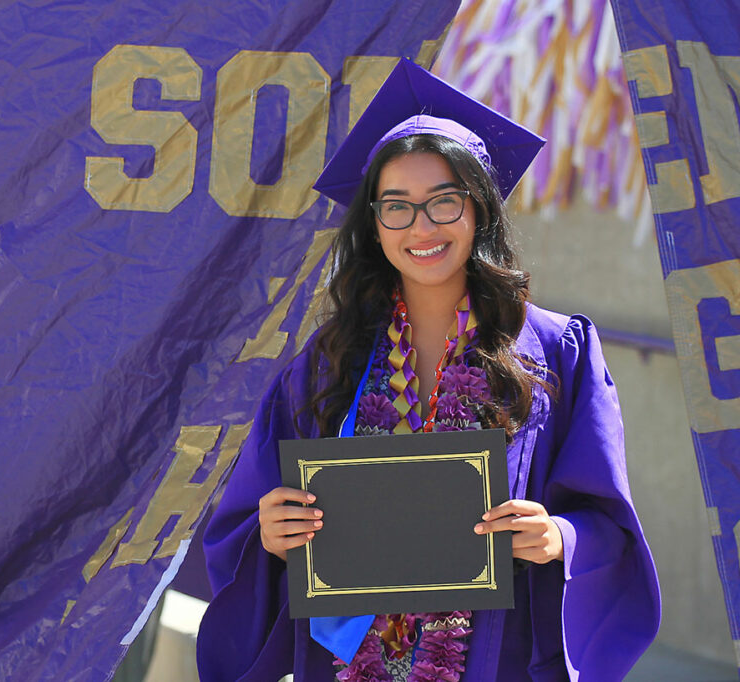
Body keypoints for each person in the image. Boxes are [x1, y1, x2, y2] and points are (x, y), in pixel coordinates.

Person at [196, 58, 660, 682]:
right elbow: (246, 530)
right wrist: (272, 534)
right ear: (374, 225)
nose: (421, 227)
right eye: (397, 207)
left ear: (480, 210)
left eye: (444, 202)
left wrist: (560, 538)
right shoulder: (327, 364)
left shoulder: (557, 353)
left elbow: (610, 527)